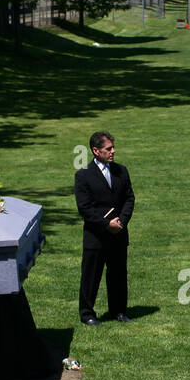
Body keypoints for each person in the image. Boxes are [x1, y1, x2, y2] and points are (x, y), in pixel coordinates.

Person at [74, 131, 135, 325]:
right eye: (108, 148)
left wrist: (121, 222)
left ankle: (118, 310)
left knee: (118, 274)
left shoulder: (121, 171)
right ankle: (87, 314)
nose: (113, 151)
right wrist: (106, 224)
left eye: (113, 147)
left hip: (118, 234)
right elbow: (84, 208)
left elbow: (129, 198)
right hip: (96, 236)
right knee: (91, 277)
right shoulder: (83, 175)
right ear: (95, 150)